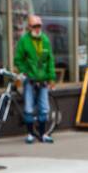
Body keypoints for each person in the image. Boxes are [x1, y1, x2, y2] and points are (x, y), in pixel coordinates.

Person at [14, 15, 56, 143]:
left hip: (42, 80)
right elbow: (18, 59)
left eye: (39, 26)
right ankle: (30, 134)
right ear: (29, 27)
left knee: (44, 108)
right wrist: (24, 71)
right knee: (28, 108)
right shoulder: (24, 40)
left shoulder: (45, 40)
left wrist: (52, 78)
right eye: (35, 26)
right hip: (30, 80)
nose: (38, 29)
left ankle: (42, 134)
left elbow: (50, 60)